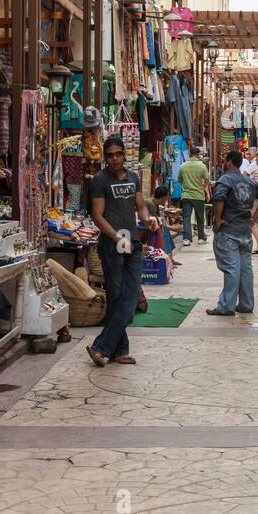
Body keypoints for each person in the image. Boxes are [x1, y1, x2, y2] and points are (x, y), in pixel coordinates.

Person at [86, 134, 158, 367]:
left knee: (130, 296)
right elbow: (97, 216)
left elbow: (141, 207)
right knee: (117, 298)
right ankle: (119, 350)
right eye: (110, 156)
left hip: (133, 242)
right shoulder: (99, 180)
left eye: (118, 154)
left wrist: (148, 220)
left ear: (124, 154)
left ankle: (102, 347)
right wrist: (116, 236)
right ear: (105, 158)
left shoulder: (134, 177)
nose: (114, 159)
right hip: (112, 243)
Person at [208, 150, 258, 317]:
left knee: (232, 268)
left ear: (229, 162)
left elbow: (219, 198)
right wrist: (254, 219)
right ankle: (246, 304)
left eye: (224, 160)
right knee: (245, 269)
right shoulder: (248, 180)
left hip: (229, 230)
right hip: (244, 230)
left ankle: (226, 306)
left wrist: (217, 220)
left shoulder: (225, 179)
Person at [177, 144, 210, 244]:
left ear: (190, 154)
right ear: (198, 154)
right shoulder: (202, 166)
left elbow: (179, 180)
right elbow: (207, 180)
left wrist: (186, 184)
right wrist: (203, 187)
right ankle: (201, 238)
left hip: (186, 195)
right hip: (198, 195)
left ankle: (186, 239)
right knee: (200, 217)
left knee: (186, 217)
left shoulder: (183, 166)